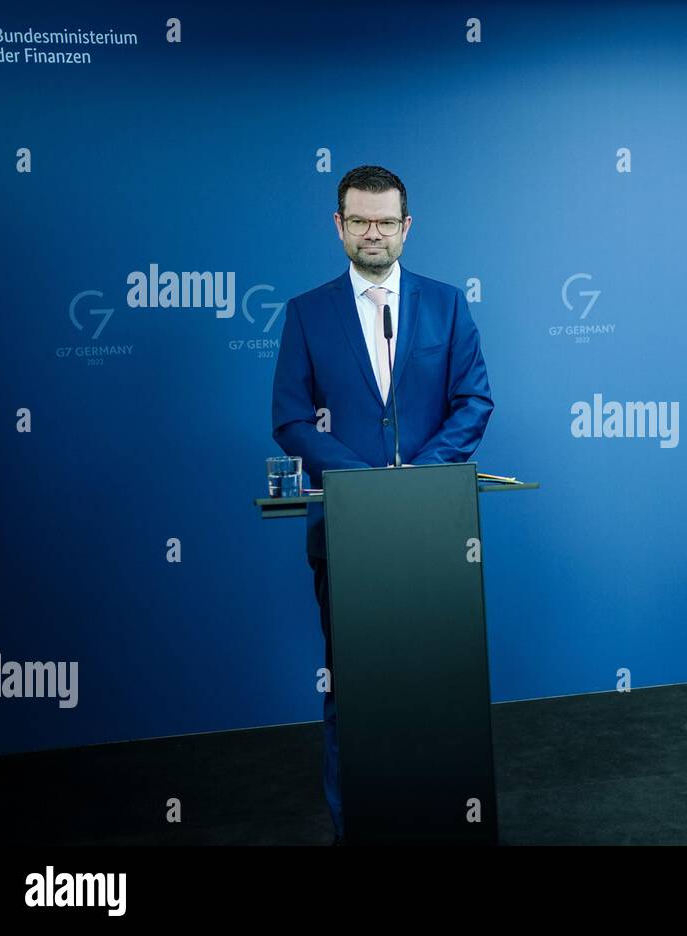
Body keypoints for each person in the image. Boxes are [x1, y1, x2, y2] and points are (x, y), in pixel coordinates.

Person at [271, 165, 493, 840]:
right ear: (339, 225)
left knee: (435, 684)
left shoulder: (447, 305)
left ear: (407, 227)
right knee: (354, 685)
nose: (374, 233)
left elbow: (473, 401)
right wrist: (366, 482)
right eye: (360, 221)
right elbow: (291, 419)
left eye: (386, 221)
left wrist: (417, 477)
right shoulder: (307, 313)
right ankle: (358, 828)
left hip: (435, 527)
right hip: (347, 530)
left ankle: (441, 821)